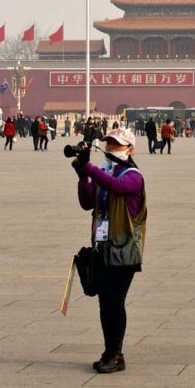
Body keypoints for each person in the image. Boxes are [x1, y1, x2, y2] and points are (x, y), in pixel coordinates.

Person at [74, 128, 146, 374]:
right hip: (103, 248)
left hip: (124, 250)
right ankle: (110, 351)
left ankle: (116, 354)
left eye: (117, 144)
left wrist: (89, 168)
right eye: (109, 143)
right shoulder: (103, 173)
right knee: (106, 303)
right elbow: (86, 202)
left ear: (130, 149)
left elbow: (116, 186)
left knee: (115, 301)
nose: (112, 148)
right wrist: (82, 175)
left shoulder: (133, 176)